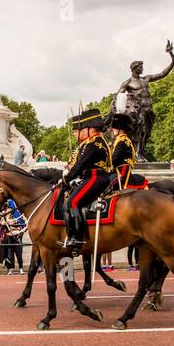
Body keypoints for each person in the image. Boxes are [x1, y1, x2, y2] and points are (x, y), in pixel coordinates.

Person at [59, 108, 113, 254]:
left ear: (90, 129)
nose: (81, 132)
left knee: (72, 202)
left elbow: (79, 165)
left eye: (83, 129)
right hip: (95, 176)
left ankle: (77, 238)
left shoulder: (94, 143)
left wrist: (66, 177)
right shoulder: (99, 141)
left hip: (95, 177)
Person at [108, 112, 146, 190]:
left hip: (121, 173)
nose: (112, 129)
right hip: (119, 171)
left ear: (120, 128)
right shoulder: (122, 140)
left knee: (103, 184)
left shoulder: (122, 141)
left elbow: (112, 159)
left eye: (114, 128)